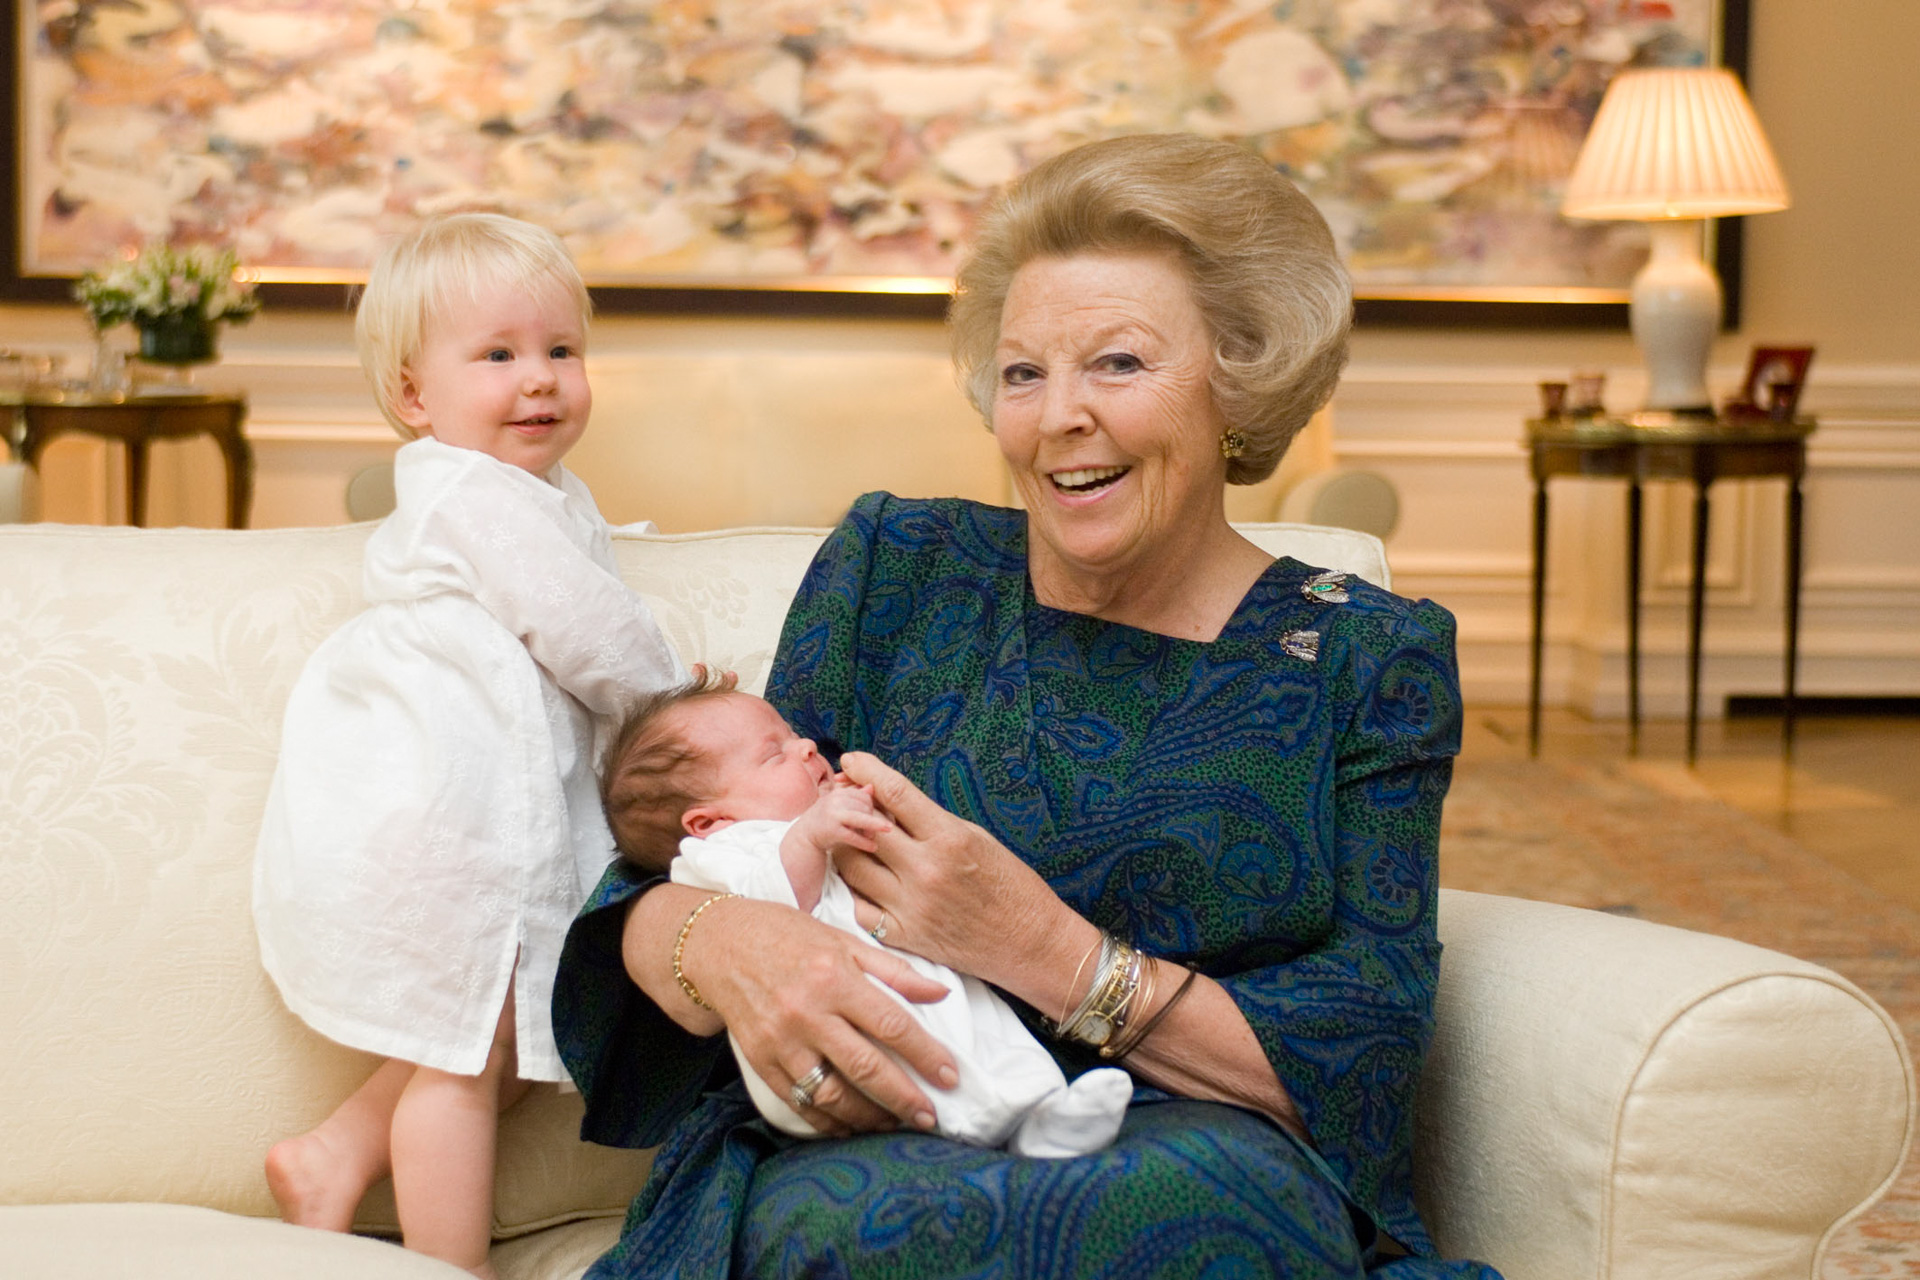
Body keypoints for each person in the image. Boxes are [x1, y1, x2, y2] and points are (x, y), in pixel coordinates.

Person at [555, 133, 1503, 1278]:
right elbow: (662, 866)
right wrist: (727, 938)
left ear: (1237, 379)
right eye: (1022, 373)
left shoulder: (1366, 659)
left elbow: (1363, 1061)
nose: (1059, 416)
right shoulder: (897, 569)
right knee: (855, 1231)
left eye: (1116, 363)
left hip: (1195, 1156)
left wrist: (1046, 950)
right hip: (874, 1128)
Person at [252, 213, 684, 1278]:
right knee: (464, 1054)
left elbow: (570, 575)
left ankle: (334, 1150)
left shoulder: (533, 493)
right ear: (414, 397)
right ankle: (449, 1263)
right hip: (445, 808)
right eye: (497, 355)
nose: (538, 379)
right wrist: (673, 694)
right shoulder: (463, 491)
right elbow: (583, 627)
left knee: (502, 1039)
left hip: (487, 806)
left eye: (561, 350)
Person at [600, 672, 1135, 1158]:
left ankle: (1041, 1111)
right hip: (832, 1021)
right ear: (707, 820)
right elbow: (767, 902)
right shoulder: (718, 855)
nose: (807, 746)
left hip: (915, 976)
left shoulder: (809, 819)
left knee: (984, 1028)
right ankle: (977, 1130)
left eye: (794, 735)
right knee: (912, 1057)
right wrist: (812, 835)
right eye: (774, 754)